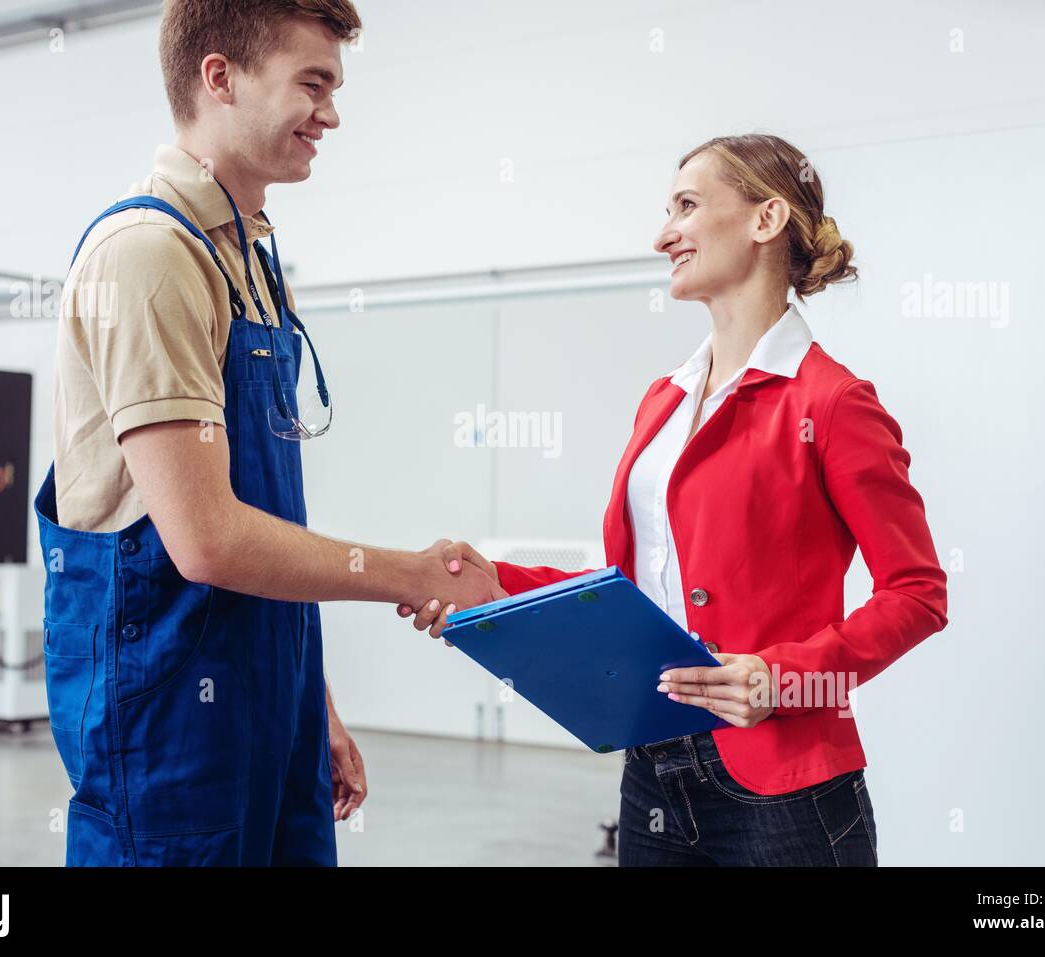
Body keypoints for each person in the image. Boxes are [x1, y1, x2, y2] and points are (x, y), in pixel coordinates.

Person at [37, 0, 501, 866]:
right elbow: (207, 539)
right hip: (166, 715)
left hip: (265, 696)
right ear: (220, 77)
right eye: (312, 83)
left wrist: (309, 702)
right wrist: (412, 573)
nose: (331, 113)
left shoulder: (249, 256)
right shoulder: (148, 256)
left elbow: (255, 511)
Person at [403, 133, 949, 866]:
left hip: (788, 794)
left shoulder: (833, 402)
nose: (664, 235)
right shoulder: (662, 400)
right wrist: (497, 582)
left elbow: (917, 592)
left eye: (687, 206)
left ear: (766, 220)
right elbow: (635, 592)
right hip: (654, 771)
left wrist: (783, 678)